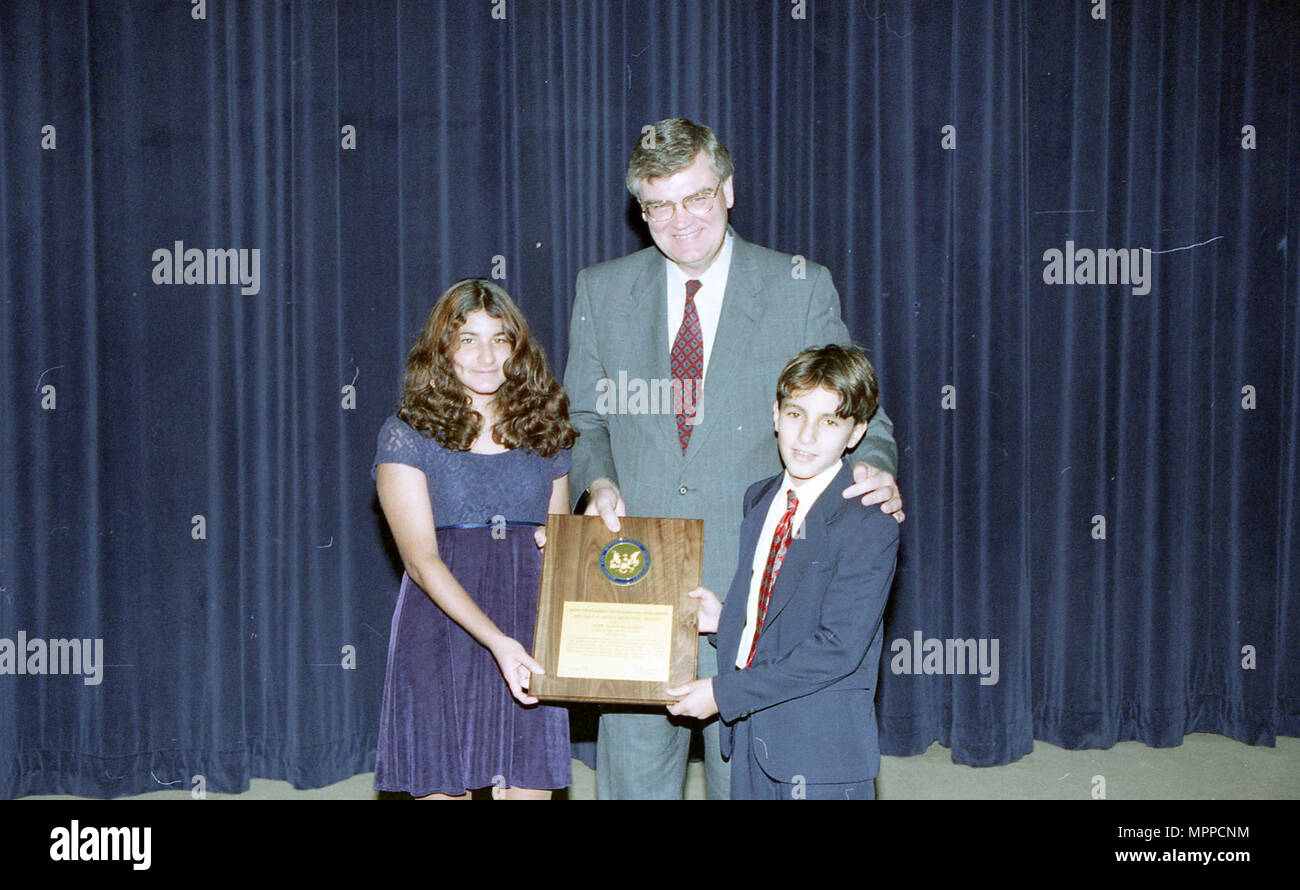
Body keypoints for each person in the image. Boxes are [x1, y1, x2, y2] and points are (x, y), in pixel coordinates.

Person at [563, 118, 904, 799]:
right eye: (659, 204)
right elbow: (583, 419)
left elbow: (864, 410)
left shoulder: (799, 286)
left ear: (728, 191)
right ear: (641, 210)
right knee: (632, 783)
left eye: (696, 197)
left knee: (746, 782)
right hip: (640, 583)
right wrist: (596, 479)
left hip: (756, 594)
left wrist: (880, 468)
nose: (680, 219)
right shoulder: (601, 290)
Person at [666, 344, 900, 799]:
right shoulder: (760, 499)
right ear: (775, 414)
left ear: (856, 433)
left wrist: (722, 694)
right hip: (752, 738)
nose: (807, 436)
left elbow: (836, 648)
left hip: (821, 753)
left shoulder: (869, 522)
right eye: (796, 414)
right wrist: (727, 618)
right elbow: (775, 606)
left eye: (829, 421)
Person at [372, 278, 575, 800]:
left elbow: (559, 542)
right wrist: (495, 641)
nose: (486, 356)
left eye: (500, 339)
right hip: (440, 629)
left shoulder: (546, 427)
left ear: (518, 347)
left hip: (528, 631)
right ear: (443, 348)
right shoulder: (407, 432)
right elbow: (420, 561)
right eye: (468, 339)